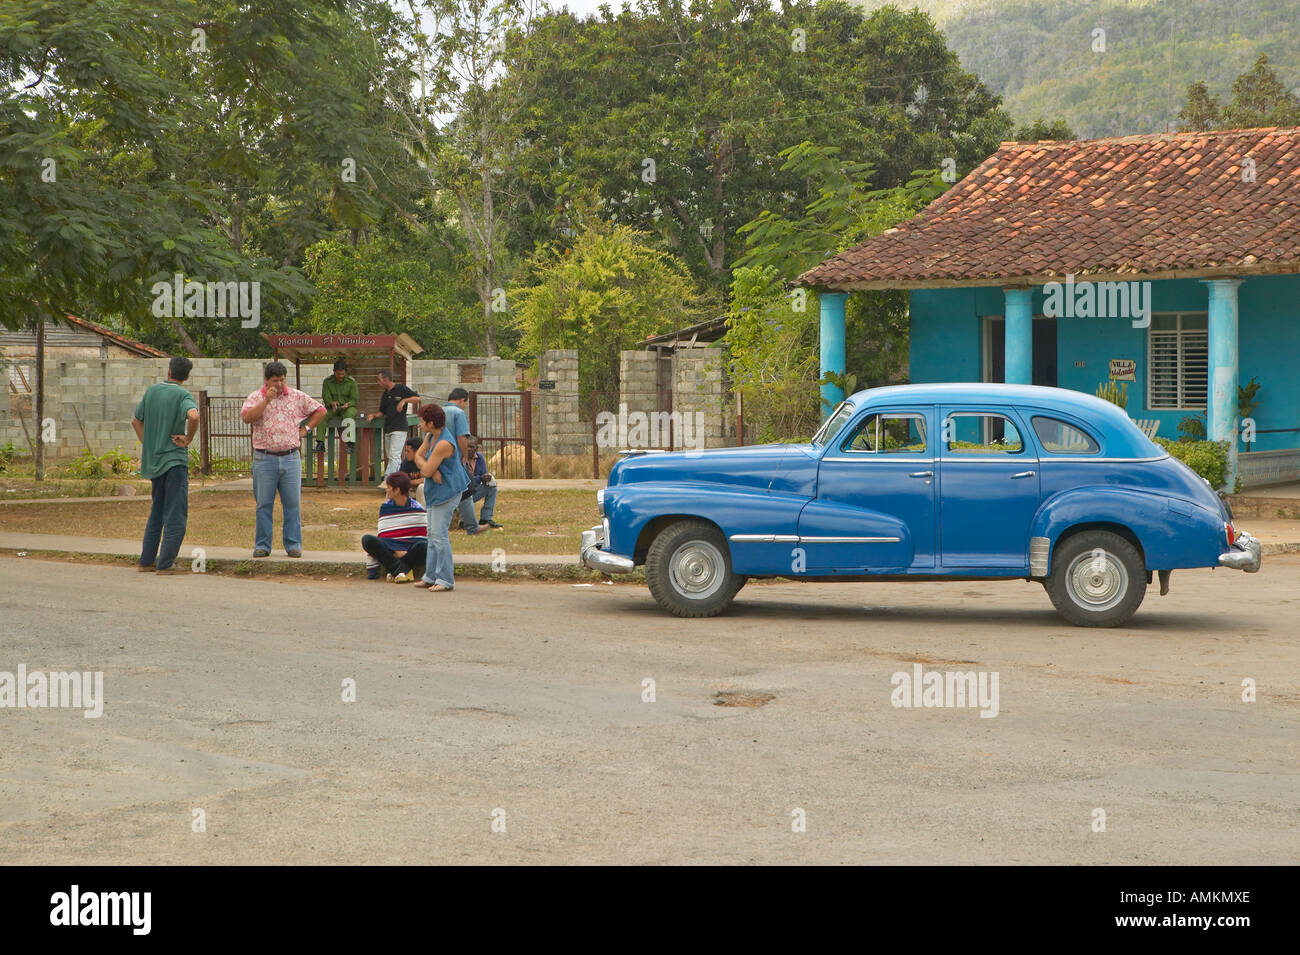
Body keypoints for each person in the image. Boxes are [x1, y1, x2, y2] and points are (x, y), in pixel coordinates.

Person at [241, 360, 326, 558]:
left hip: (290, 458)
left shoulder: (295, 396)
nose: (279, 384)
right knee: (263, 504)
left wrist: (306, 429)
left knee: (292, 504)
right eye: (274, 380)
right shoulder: (256, 397)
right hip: (264, 458)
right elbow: (247, 418)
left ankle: (293, 544)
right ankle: (262, 545)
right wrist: (266, 401)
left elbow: (320, 410)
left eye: (282, 380)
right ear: (266, 380)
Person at [132, 356, 200, 575]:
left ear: (169, 371)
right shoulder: (183, 394)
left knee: (157, 511)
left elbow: (136, 421)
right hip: (174, 461)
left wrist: (149, 444)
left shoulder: (152, 391)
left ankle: (146, 561)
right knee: (176, 513)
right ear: (187, 376)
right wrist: (188, 439)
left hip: (155, 462)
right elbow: (193, 415)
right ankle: (166, 563)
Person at [414, 403, 469, 592]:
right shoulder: (430, 436)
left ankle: (445, 579)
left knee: (439, 535)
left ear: (430, 422)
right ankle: (430, 576)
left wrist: (431, 469)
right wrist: (432, 469)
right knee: (431, 534)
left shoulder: (444, 443)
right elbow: (417, 457)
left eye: (422, 421)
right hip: (435, 492)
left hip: (447, 492)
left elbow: (426, 469)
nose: (419, 424)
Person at [361, 471, 428, 583]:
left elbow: (422, 535)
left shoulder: (417, 508)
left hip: (411, 551)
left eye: (389, 487)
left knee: (424, 546)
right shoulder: (385, 508)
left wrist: (403, 549)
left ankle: (395, 570)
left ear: (397, 490)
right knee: (367, 540)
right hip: (392, 550)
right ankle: (403, 571)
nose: (387, 490)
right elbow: (384, 535)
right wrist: (395, 549)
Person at [367, 369, 419, 481]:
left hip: (399, 428)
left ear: (386, 379)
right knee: (392, 457)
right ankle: (398, 480)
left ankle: (388, 480)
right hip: (388, 428)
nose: (378, 382)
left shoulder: (401, 388)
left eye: (379, 380)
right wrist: (374, 415)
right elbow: (382, 411)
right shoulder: (385, 394)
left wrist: (404, 400)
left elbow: (417, 398)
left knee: (395, 456)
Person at [456, 435, 502, 533]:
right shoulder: (459, 458)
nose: (469, 449)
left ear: (476, 448)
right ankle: (464, 521)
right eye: (467, 446)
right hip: (461, 494)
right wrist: (480, 478)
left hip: (474, 491)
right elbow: (465, 479)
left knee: (492, 487)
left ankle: (486, 518)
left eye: (472, 447)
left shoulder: (479, 458)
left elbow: (483, 474)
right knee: (465, 491)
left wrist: (486, 478)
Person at [314, 359, 360, 455]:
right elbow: (326, 397)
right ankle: (320, 443)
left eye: (342, 374)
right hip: (333, 407)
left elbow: (354, 399)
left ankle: (350, 444)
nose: (340, 376)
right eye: (338, 374)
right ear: (334, 372)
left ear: (345, 373)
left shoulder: (352, 382)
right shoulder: (327, 381)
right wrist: (331, 403)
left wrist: (348, 404)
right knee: (321, 414)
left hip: (348, 407)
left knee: (349, 415)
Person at [444, 387, 472, 468]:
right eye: (465, 403)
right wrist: (465, 455)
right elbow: (461, 437)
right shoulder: (459, 413)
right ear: (462, 400)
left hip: (437, 456)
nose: (465, 406)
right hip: (454, 457)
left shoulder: (438, 411)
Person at [399, 437, 424, 504]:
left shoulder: (426, 461)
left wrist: (412, 482)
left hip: (425, 491)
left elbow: (427, 480)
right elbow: (401, 480)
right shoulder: (406, 463)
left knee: (421, 487)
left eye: (408, 451)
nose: (406, 453)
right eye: (405, 451)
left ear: (417, 451)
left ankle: (422, 513)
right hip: (410, 490)